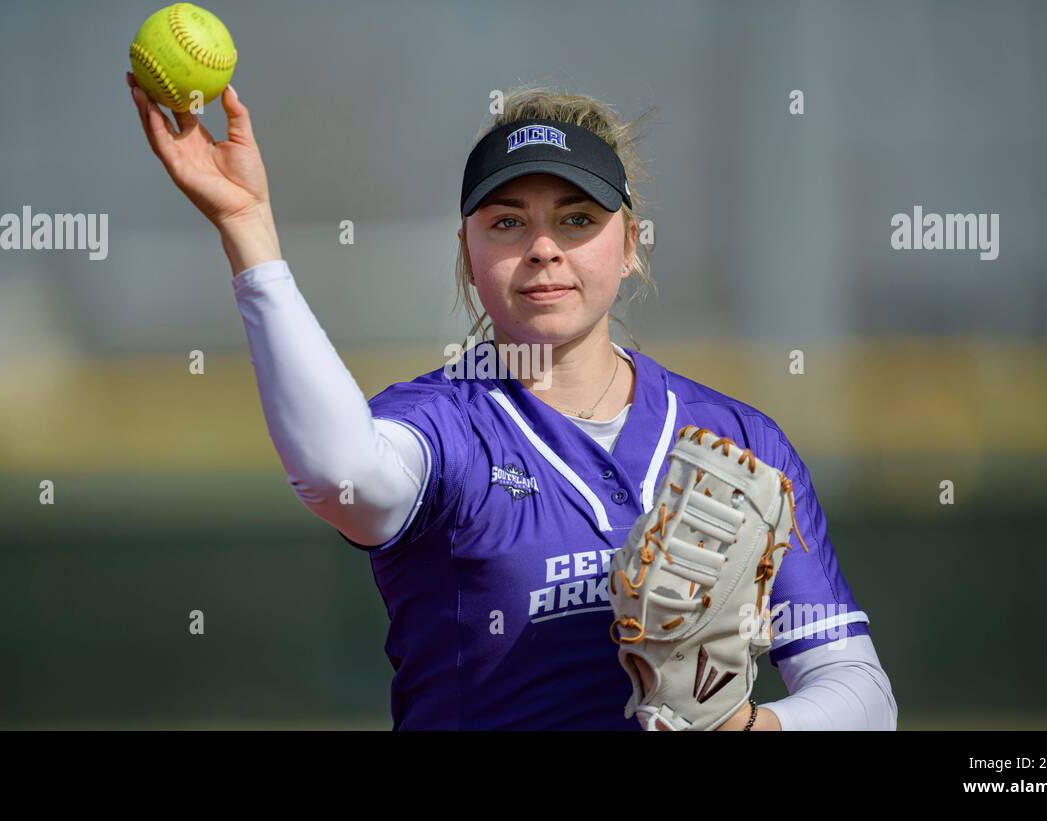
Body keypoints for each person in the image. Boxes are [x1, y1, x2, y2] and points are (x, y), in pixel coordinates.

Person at [126, 73, 898, 731]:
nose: (543, 247)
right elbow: (338, 475)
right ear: (467, 249)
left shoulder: (736, 438)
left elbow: (862, 692)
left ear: (630, 245)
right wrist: (247, 229)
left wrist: (748, 725)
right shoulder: (447, 424)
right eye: (507, 222)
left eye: (577, 219)